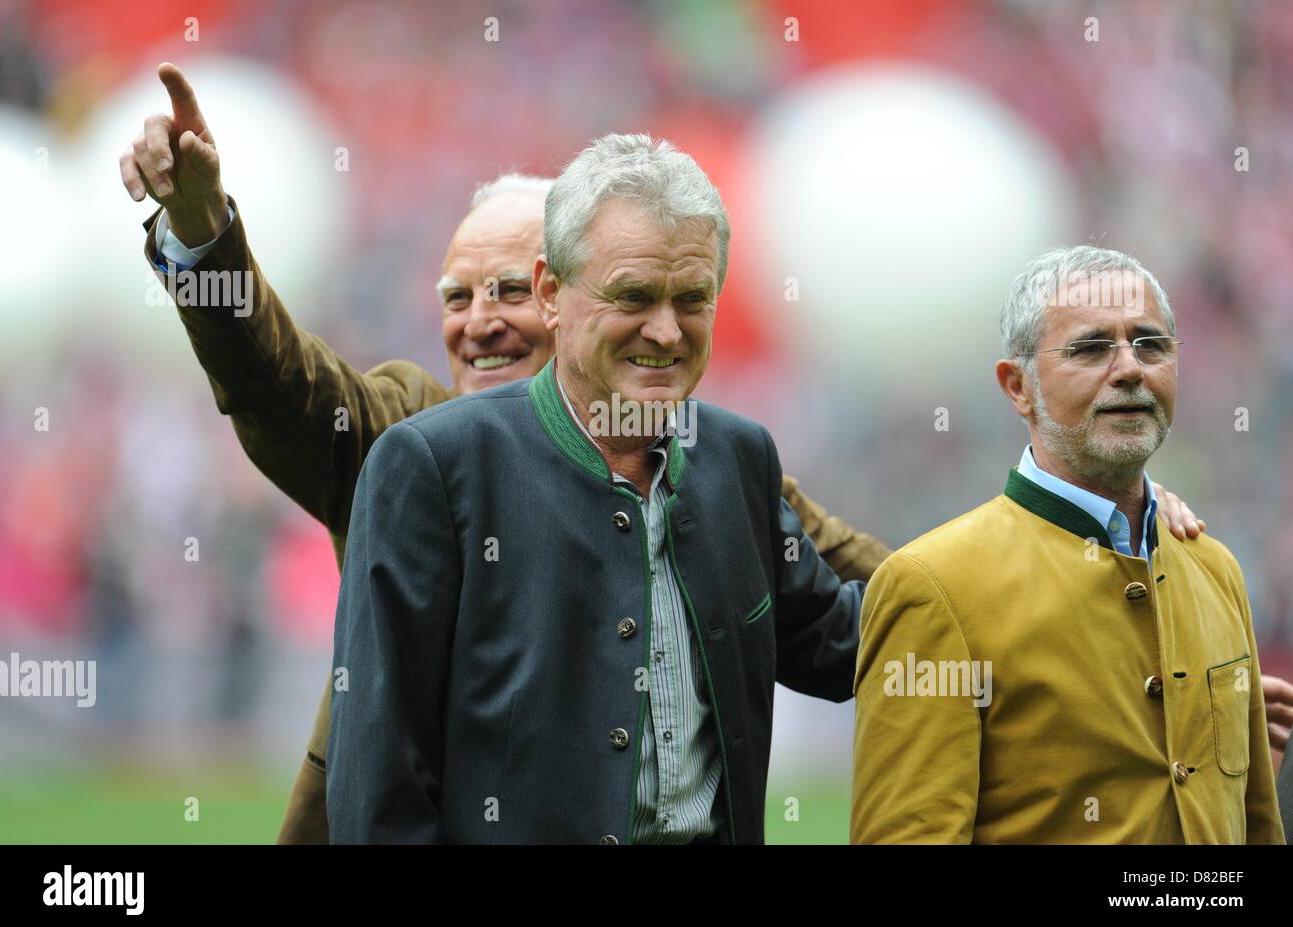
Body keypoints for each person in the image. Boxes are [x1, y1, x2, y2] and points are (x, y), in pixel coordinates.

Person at [120, 63, 890, 843]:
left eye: (509, 291)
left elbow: (875, 594)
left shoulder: (711, 457)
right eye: (458, 296)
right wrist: (203, 235)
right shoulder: (414, 444)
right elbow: (279, 385)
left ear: (558, 292)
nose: (481, 321)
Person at [326, 132, 875, 843]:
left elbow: (843, 641)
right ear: (552, 293)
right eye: (635, 296)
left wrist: (1025, 570)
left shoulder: (738, 457)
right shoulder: (433, 465)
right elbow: (380, 789)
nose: (667, 329)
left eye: (692, 297)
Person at [850, 246, 1285, 844]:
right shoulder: (933, 585)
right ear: (1018, 386)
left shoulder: (1215, 569)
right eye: (1091, 348)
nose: (1130, 367)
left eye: (1151, 344)